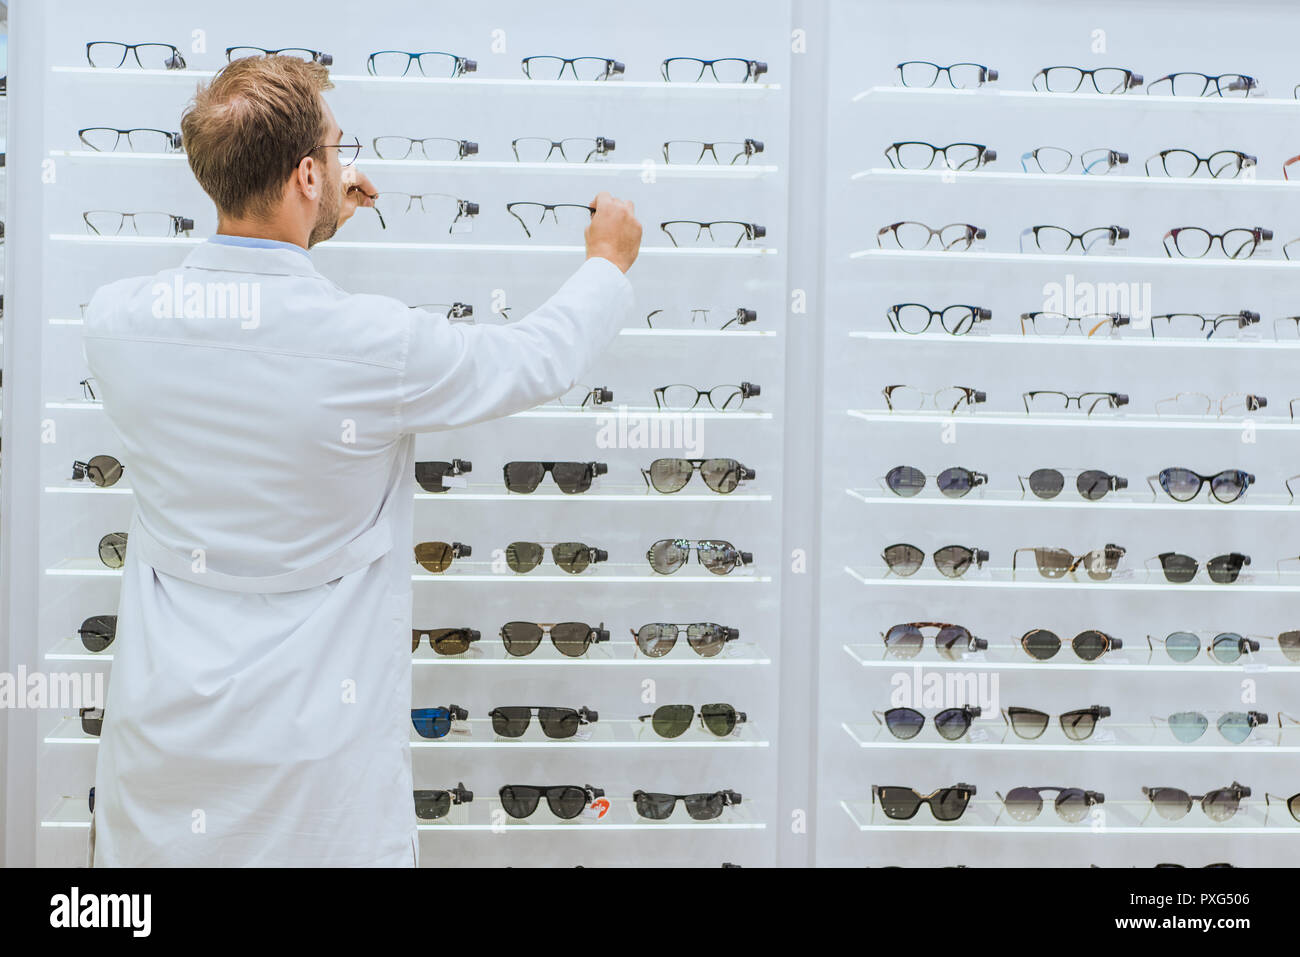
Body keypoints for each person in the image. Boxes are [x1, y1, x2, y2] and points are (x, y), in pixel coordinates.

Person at [81, 55, 640, 866]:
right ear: (308, 172)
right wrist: (605, 262)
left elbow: (258, 335)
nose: (346, 163)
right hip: (317, 773)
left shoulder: (116, 321)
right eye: (337, 150)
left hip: (164, 752)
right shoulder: (382, 348)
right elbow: (535, 359)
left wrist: (309, 223)